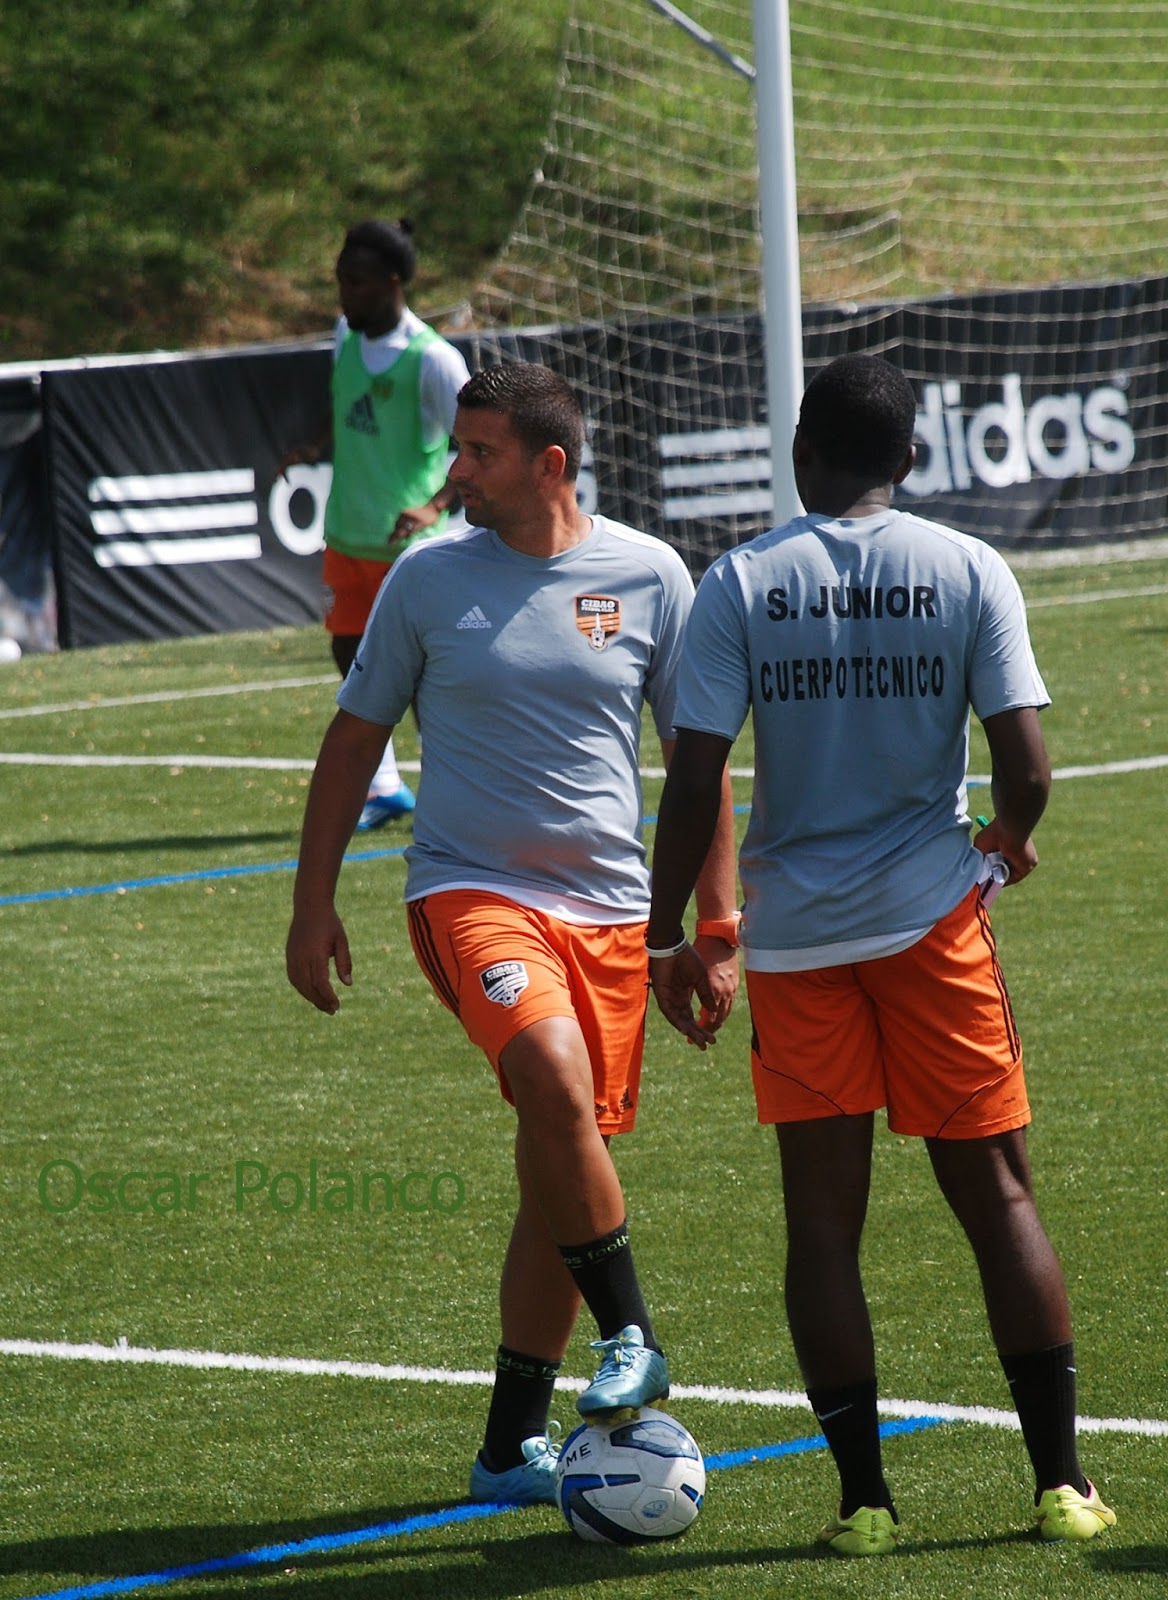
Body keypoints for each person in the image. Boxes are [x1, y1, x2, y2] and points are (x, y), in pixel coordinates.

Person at [645, 354, 1115, 1554]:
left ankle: (861, 1504)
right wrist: (1003, 842)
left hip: (798, 944)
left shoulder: (740, 581)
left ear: (799, 453)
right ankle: (1059, 1484)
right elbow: (1026, 766)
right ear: (909, 460)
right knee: (995, 1194)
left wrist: (666, 942)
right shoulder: (965, 566)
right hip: (930, 924)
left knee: (820, 1229)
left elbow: (693, 779)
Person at [286, 361, 739, 1508]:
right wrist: (311, 903)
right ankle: (631, 1330)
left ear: (549, 464)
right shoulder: (425, 580)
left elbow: (698, 770)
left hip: (610, 919)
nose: (456, 474)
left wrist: (706, 929)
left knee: (563, 1159)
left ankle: (505, 1448)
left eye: (477, 453)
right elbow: (352, 743)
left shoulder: (648, 574)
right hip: (467, 892)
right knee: (549, 1081)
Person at [278, 217, 471, 831]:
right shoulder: (345, 336)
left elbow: (480, 450)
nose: (344, 296)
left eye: (355, 283)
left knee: (421, 677)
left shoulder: (435, 360)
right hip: (349, 532)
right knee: (350, 654)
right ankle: (386, 788)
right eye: (340, 281)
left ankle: (455, 789)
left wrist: (435, 507)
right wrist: (313, 446)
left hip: (409, 547)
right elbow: (349, 407)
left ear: (393, 283)